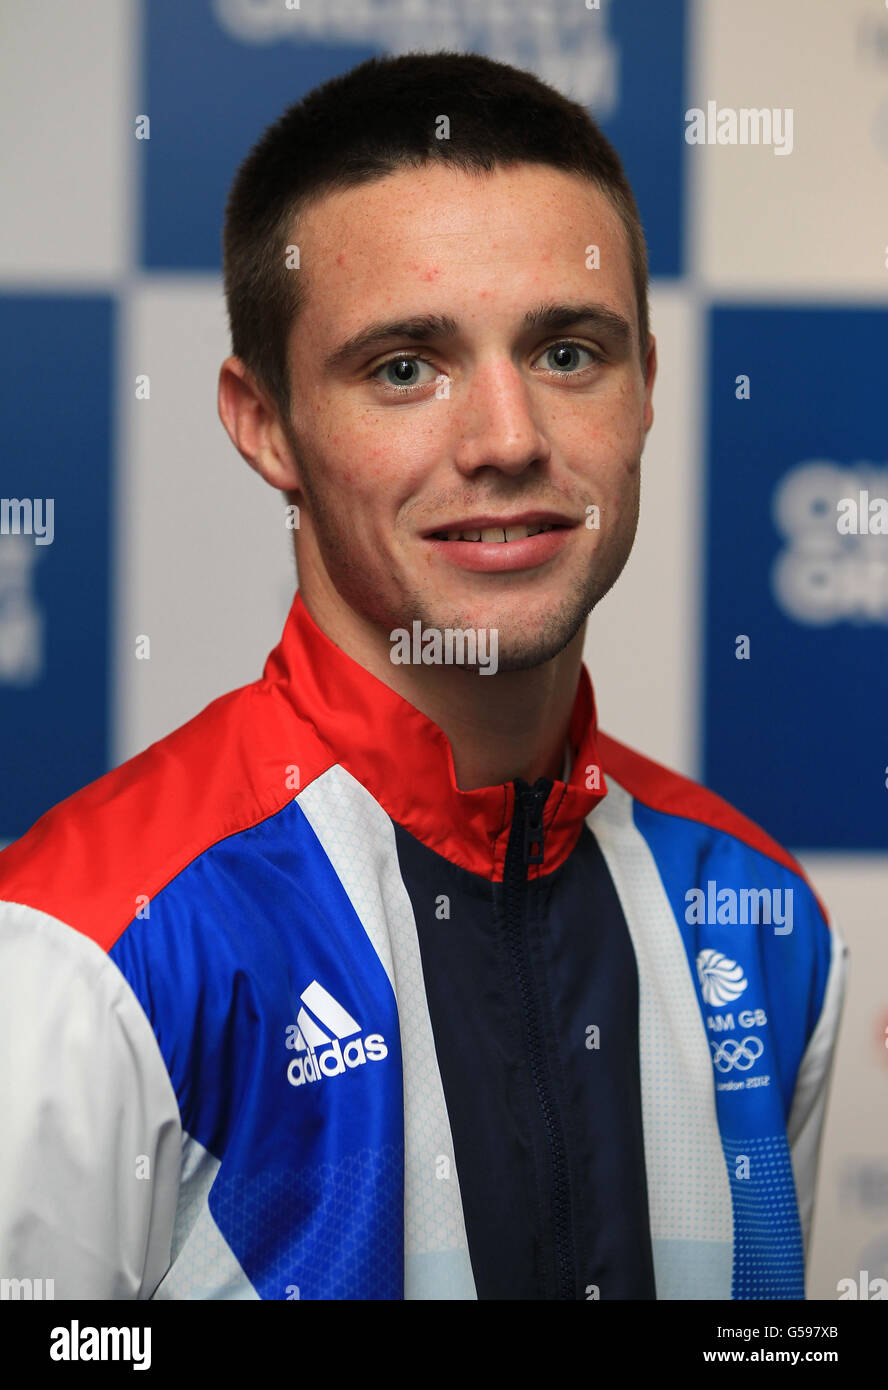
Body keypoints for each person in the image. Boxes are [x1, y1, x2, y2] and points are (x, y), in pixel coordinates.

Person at [0, 51, 846, 1301]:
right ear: (264, 422)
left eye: (568, 353)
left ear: (650, 384)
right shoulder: (84, 954)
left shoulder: (761, 919)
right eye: (406, 366)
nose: (507, 439)